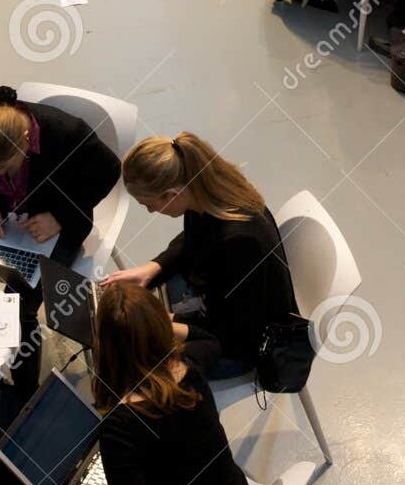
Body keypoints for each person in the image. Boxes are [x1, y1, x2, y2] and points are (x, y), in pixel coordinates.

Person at [39, 283, 249, 485]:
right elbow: (210, 340)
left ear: (105, 348)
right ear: (161, 328)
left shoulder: (120, 427)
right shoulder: (189, 369)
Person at [106, 132, 295, 375]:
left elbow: (233, 338)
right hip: (224, 306)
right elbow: (193, 239)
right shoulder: (207, 192)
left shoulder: (240, 243)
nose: (150, 211)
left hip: (242, 345)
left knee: (135, 368)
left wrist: (161, 323)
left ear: (172, 195)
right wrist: (154, 267)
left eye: (148, 204)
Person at [0, 85, 118, 256]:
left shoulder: (68, 133)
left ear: (27, 139)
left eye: (3, 167)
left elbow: (110, 170)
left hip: (54, 220)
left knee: (36, 282)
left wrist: (60, 216)